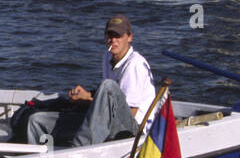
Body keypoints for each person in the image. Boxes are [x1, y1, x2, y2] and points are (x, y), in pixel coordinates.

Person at [16, 15, 154, 149]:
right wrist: (86, 96)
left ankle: (79, 150)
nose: (113, 40)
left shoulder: (134, 64)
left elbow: (130, 113)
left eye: (118, 36)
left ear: (129, 37)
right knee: (37, 121)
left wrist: (90, 100)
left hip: (133, 131)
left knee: (107, 86)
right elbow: (107, 104)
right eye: (109, 35)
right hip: (108, 120)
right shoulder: (107, 57)